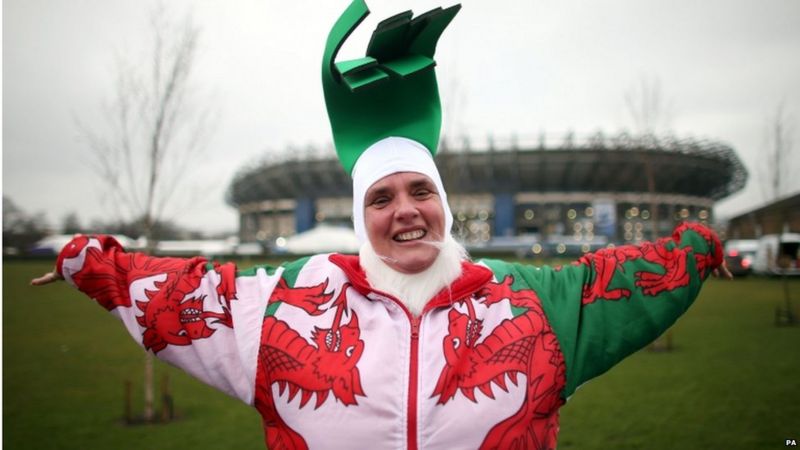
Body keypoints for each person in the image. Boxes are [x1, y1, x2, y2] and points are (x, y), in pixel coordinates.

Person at [32, 1, 732, 449]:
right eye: (381, 197)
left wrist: (699, 244)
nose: (404, 210)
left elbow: (634, 282)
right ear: (361, 213)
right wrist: (84, 259)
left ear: (445, 203)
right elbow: (178, 295)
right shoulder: (282, 308)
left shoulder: (535, 305)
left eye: (420, 190)